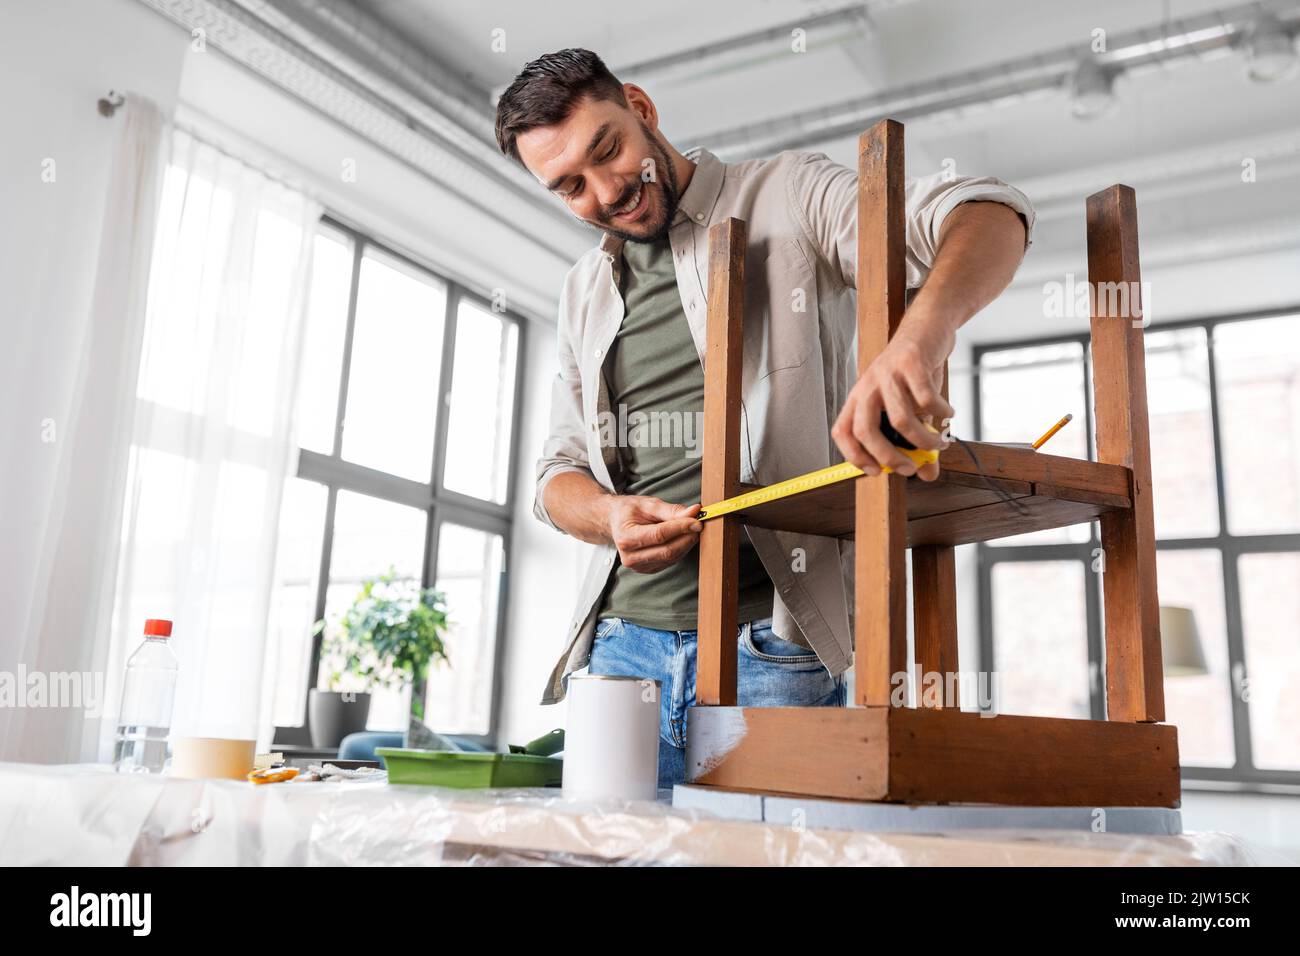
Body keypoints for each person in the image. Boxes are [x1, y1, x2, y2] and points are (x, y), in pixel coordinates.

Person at [494, 48, 1034, 789]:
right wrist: (609, 516)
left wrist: (915, 342)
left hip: (775, 641)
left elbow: (987, 211)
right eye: (570, 187)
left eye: (608, 149)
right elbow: (557, 473)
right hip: (620, 651)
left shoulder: (785, 194)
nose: (607, 190)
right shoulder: (583, 290)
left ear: (642, 109)